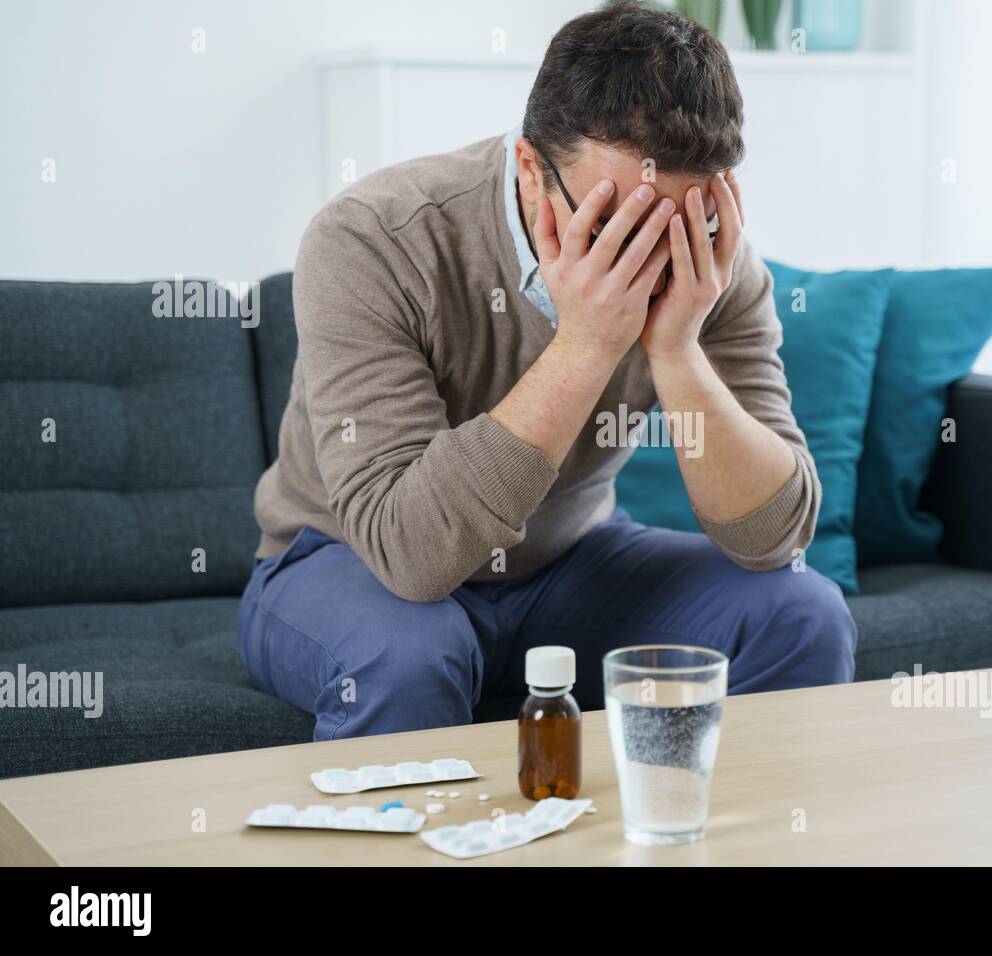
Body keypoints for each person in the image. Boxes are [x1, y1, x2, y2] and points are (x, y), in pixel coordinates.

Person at [239, 1, 856, 740]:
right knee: (409, 655)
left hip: (569, 561)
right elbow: (408, 553)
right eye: (614, 227)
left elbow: (773, 539)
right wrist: (587, 344)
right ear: (531, 170)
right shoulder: (373, 237)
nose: (648, 263)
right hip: (343, 560)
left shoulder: (710, 267)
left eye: (676, 226)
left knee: (803, 612)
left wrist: (678, 348)